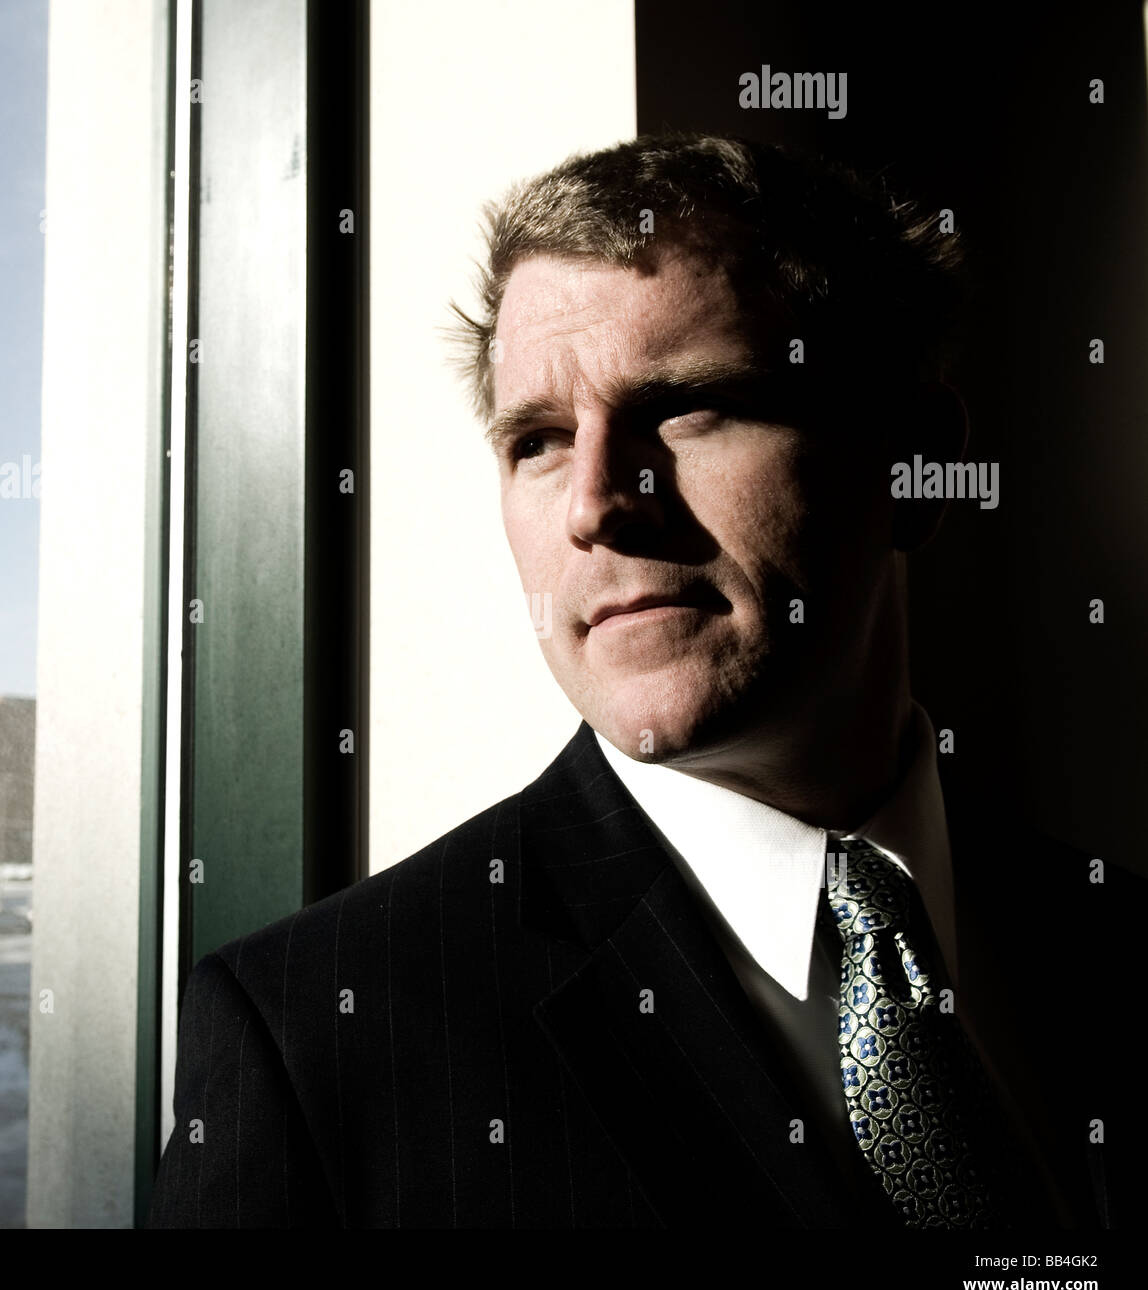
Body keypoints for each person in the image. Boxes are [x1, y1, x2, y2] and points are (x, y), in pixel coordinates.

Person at [147, 133, 1131, 1229]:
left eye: (688, 404)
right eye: (539, 440)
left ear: (912, 464)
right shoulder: (314, 1033)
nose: (596, 502)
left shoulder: (1111, 941)